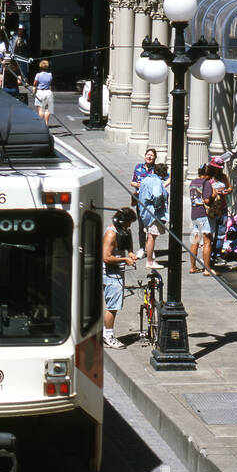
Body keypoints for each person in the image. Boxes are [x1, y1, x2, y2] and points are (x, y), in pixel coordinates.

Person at [102, 208, 138, 348]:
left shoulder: (122, 231)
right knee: (113, 306)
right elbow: (106, 257)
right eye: (128, 222)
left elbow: (126, 247)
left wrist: (130, 254)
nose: (129, 226)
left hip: (117, 272)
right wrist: (124, 260)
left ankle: (107, 333)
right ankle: (108, 336)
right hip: (112, 274)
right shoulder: (111, 234)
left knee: (114, 305)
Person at [138, 163, 169, 266]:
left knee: (149, 235)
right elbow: (156, 195)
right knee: (152, 236)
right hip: (153, 213)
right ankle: (150, 261)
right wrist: (158, 205)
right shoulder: (157, 182)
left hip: (145, 212)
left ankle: (150, 258)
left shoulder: (146, 179)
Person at [188, 163, 217, 275]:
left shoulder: (192, 182)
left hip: (194, 213)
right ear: (208, 174)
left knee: (195, 240)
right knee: (207, 241)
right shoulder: (207, 183)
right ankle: (207, 268)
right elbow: (206, 200)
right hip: (204, 214)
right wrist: (214, 195)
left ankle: (193, 267)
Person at [130, 147, 157, 256]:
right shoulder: (138, 167)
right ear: (145, 155)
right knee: (141, 225)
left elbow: (168, 177)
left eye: (152, 155)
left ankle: (150, 249)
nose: (149, 157)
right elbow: (132, 181)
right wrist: (135, 184)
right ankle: (142, 248)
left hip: (151, 201)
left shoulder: (156, 169)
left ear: (155, 158)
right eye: (148, 154)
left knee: (151, 226)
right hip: (139, 200)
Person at [32, 58, 54, 126]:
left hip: (40, 92)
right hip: (48, 92)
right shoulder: (50, 74)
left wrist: (34, 90)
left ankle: (41, 125)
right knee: (47, 109)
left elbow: (34, 84)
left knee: (41, 109)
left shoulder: (38, 75)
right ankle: (46, 123)